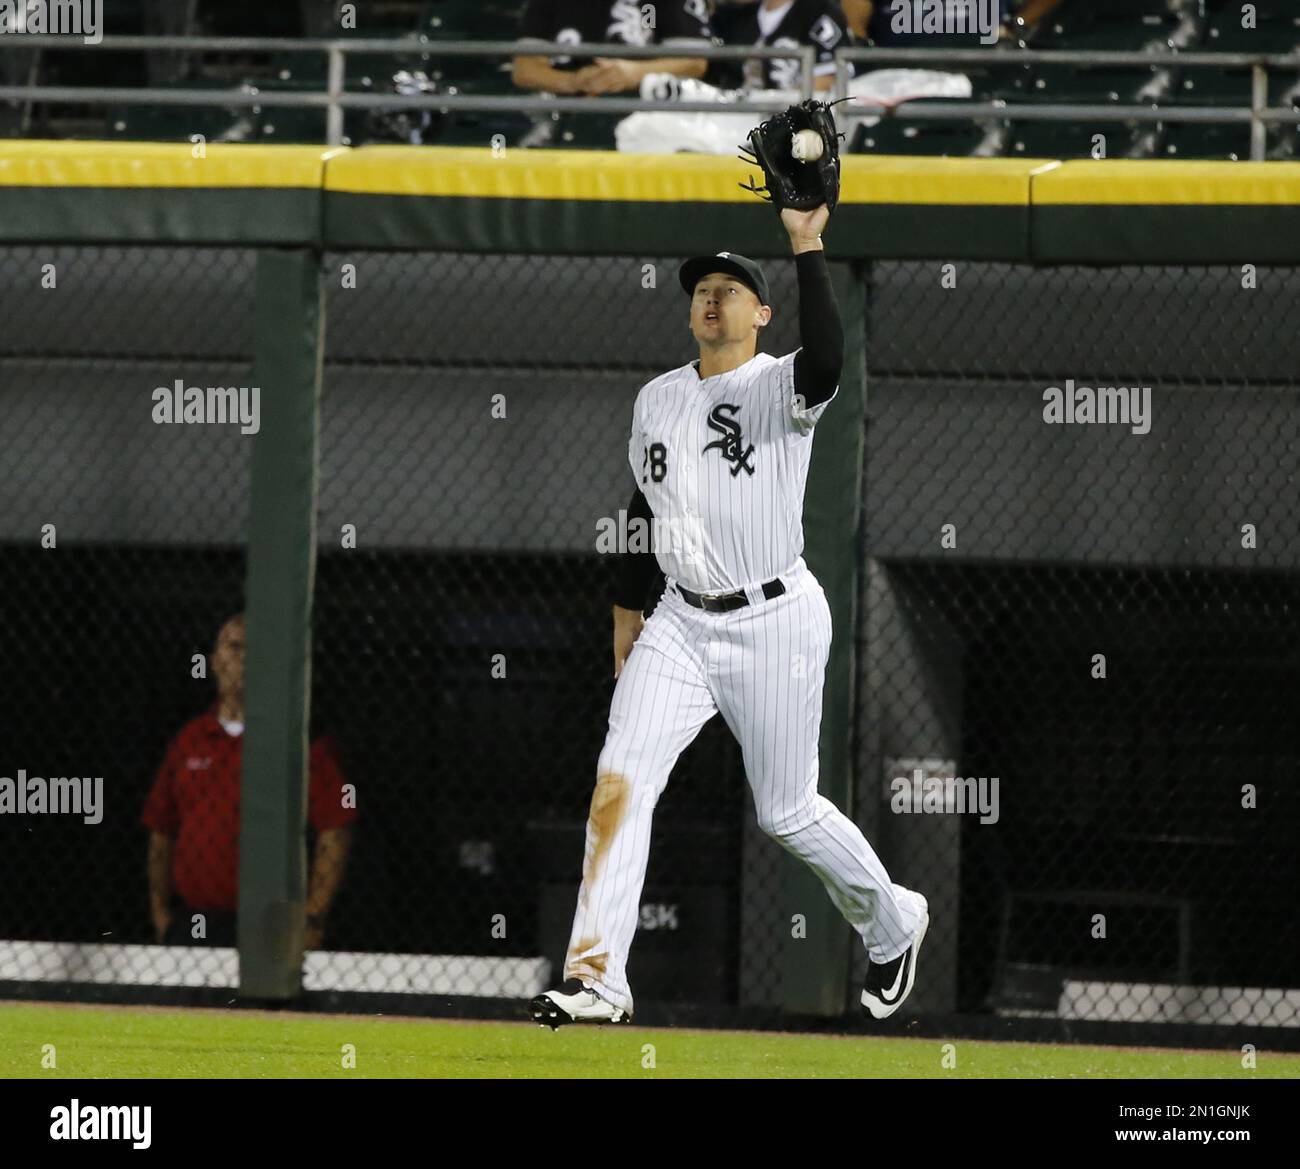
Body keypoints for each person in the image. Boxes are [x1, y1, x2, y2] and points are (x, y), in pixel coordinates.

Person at [531, 205, 928, 1028]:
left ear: (762, 312)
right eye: (702, 290)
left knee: (786, 811)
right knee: (620, 780)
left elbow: (829, 357)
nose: (713, 300)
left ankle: (894, 919)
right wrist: (624, 612)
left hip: (773, 617)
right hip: (679, 618)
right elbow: (641, 504)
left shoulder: (782, 382)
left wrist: (807, 244)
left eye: (731, 290)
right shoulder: (657, 399)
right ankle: (598, 975)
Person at [142, 614, 356, 950]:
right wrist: (160, 911)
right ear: (213, 661)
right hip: (195, 922)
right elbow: (161, 830)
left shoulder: (303, 743)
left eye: (256, 649)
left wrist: (314, 916)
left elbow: (337, 830)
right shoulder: (190, 740)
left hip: (272, 923)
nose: (243, 656)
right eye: (234, 646)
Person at [512, 0, 714, 96]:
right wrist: (575, 81)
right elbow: (524, 69)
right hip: (565, 109)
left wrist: (632, 74)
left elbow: (693, 62)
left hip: (645, 109)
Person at [707, 0, 855, 93]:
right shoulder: (738, 16)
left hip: (796, 126)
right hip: (740, 123)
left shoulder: (820, 11)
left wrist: (779, 106)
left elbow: (828, 80)